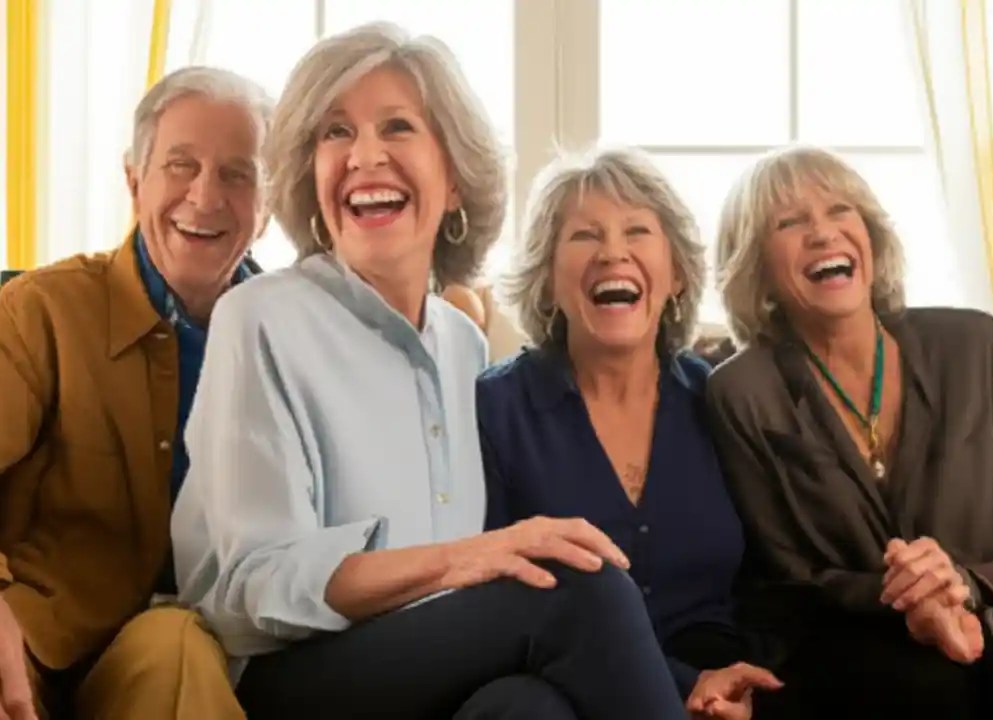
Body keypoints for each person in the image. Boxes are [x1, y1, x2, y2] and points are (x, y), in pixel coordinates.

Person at [171, 24, 688, 720]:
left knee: (527, 709)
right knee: (577, 587)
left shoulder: (461, 345)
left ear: (453, 183)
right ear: (309, 175)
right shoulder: (260, 319)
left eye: (397, 127)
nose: (364, 156)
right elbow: (252, 589)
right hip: (295, 681)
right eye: (335, 133)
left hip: (431, 674)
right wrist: (461, 560)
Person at [704, 145, 993, 718]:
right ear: (754, 265)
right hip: (859, 625)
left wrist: (964, 586)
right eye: (790, 223)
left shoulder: (976, 345)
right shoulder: (740, 390)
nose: (822, 233)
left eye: (840, 211)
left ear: (871, 238)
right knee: (919, 686)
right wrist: (912, 599)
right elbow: (790, 579)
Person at [0, 66, 271, 719]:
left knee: (179, 650)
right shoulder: (41, 311)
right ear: (135, 181)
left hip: (190, 648)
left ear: (269, 202)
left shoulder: (295, 335)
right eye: (180, 165)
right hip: (32, 636)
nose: (204, 196)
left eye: (237, 173)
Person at [479, 148, 785, 720]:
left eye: (637, 231)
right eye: (584, 235)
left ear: (676, 276)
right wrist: (683, 685)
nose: (612, 252)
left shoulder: (721, 399)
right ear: (547, 281)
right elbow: (495, 601)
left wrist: (729, 686)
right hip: (563, 684)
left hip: (724, 682)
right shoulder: (495, 410)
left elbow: (767, 582)